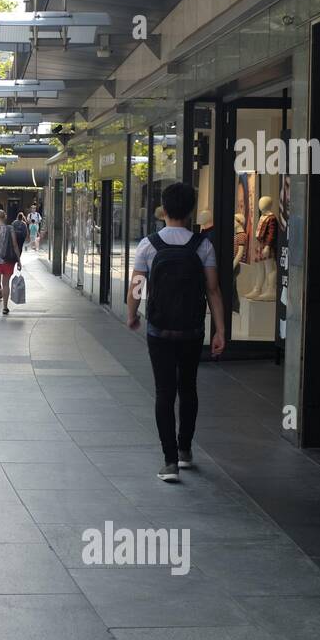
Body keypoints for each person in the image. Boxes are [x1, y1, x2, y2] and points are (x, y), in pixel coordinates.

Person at [126, 181, 227, 483]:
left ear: (164, 210)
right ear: (191, 210)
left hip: (159, 331)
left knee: (164, 392)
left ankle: (169, 462)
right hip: (192, 330)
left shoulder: (149, 244)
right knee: (189, 388)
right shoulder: (203, 245)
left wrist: (132, 314)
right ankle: (185, 451)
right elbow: (213, 290)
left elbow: (137, 285)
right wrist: (220, 331)